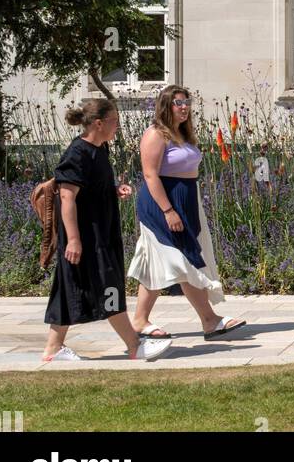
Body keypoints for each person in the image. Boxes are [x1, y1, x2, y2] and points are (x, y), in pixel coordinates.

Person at [42, 98, 172, 363]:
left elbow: (89, 189)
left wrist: (113, 190)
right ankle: (135, 345)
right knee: (109, 285)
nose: (118, 127)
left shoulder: (100, 149)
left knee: (70, 286)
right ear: (99, 123)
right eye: (114, 121)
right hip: (86, 237)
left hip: (101, 232)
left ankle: (53, 349)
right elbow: (67, 198)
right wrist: (74, 240)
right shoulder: (77, 153)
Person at [128, 86, 246, 341]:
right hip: (163, 204)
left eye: (186, 102)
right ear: (165, 106)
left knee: (165, 260)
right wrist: (168, 210)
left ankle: (143, 320)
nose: (184, 107)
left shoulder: (182, 133)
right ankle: (209, 319)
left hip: (187, 202)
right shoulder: (156, 134)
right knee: (180, 260)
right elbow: (149, 175)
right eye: (177, 103)